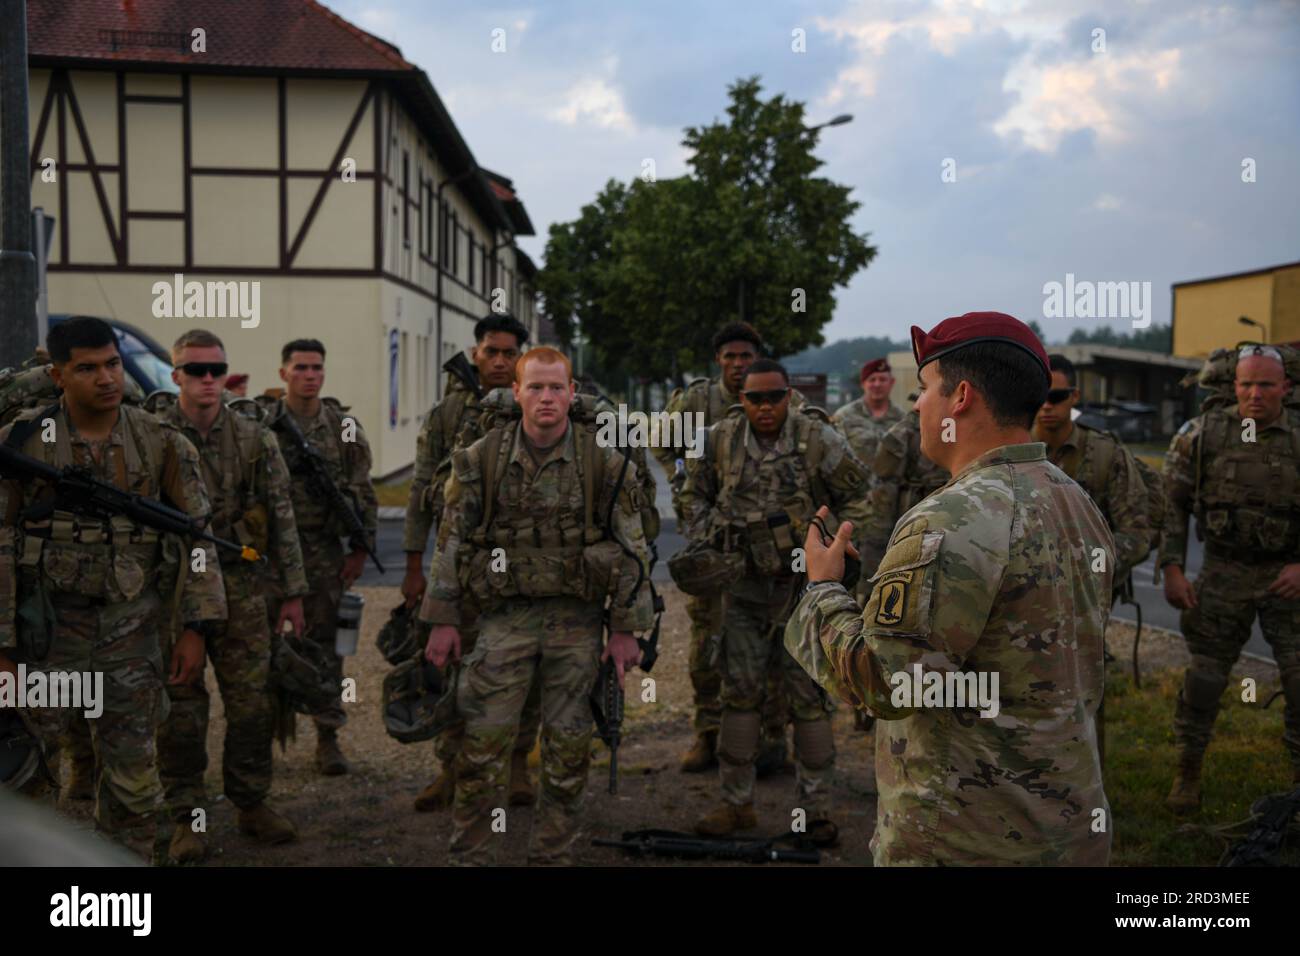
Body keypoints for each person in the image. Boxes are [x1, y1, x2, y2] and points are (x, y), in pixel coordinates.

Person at [785, 312, 1113, 865]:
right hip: (1064, 827)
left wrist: (823, 588)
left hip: (964, 835)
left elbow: (885, 684)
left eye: (923, 390)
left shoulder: (950, 518)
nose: (915, 405)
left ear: (960, 397)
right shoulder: (1071, 498)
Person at [0, 317, 228, 861]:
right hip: (45, 635)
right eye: (87, 368)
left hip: (131, 632)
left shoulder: (161, 442)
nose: (106, 378)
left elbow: (199, 540)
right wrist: (3, 649)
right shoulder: (24, 440)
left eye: (113, 364)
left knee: (133, 781)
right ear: (57, 374)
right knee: (27, 770)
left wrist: (195, 629)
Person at [421, 347, 653, 865]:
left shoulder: (606, 463)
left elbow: (634, 551)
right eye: (535, 387)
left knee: (568, 753)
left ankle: (551, 856)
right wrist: (441, 621)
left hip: (576, 624)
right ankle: (471, 855)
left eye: (555, 388)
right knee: (482, 748)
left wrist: (625, 630)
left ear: (572, 394)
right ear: (517, 393)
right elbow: (452, 542)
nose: (546, 397)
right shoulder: (481, 458)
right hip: (502, 622)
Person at [679, 358, 870, 841]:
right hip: (743, 588)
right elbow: (691, 496)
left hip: (802, 592)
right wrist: (713, 538)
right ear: (740, 399)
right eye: (754, 398)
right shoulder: (719, 438)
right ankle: (736, 805)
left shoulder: (816, 438)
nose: (765, 407)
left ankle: (817, 812)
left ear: (789, 395)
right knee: (738, 696)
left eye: (774, 397)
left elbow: (860, 494)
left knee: (810, 699)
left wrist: (835, 544)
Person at [153, 330, 309, 862]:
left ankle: (251, 802)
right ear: (175, 376)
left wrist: (292, 593)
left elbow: (283, 519)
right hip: (175, 592)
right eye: (195, 370)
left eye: (216, 370)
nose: (207, 380)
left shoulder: (252, 438)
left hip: (242, 588)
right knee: (181, 709)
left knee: (250, 705)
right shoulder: (151, 436)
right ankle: (187, 816)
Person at [401, 313, 541, 812]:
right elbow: (420, 491)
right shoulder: (446, 415)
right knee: (453, 668)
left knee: (525, 668)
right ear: (476, 353)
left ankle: (519, 764)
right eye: (491, 351)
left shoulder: (537, 405)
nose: (500, 361)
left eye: (509, 353)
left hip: (523, 565)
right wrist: (414, 565)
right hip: (458, 564)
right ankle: (451, 768)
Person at [653, 322, 804, 774]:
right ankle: (709, 733)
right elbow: (665, 445)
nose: (738, 365)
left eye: (746, 356)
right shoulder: (696, 401)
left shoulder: (776, 399)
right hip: (712, 546)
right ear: (718, 360)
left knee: (774, 641)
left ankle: (773, 737)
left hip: (768, 550)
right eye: (730, 357)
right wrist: (684, 480)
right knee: (706, 642)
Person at [1160, 344, 1300, 813]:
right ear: (1233, 386)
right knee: (1205, 679)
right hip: (1223, 571)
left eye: (1265, 384)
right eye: (1246, 385)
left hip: (1287, 574)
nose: (1255, 395)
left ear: (1286, 386)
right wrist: (1173, 568)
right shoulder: (1204, 436)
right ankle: (1187, 771)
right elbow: (1172, 504)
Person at [261, 339, 377, 775]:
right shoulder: (264, 425)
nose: (310, 375)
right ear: (283, 373)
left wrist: (360, 551)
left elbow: (362, 490)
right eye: (301, 367)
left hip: (325, 552)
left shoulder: (342, 426)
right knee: (272, 642)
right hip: (273, 555)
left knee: (329, 646)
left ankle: (328, 738)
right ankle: (271, 738)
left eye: (317, 368)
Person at [832, 358, 905, 470]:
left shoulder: (903, 418)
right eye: (872, 380)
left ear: (892, 382)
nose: (877, 384)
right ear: (863, 384)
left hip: (895, 486)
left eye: (882, 379)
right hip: (858, 485)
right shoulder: (843, 416)